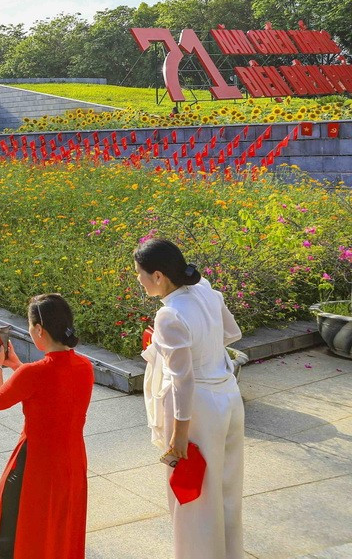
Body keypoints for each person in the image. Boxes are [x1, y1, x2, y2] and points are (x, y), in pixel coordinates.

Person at [136, 238, 244, 559]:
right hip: (228, 395)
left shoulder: (169, 315)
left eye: (139, 273)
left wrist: (178, 435)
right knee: (226, 489)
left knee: (193, 495)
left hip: (196, 409)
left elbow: (183, 381)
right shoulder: (204, 289)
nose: (138, 280)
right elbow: (232, 333)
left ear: (158, 276)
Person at [0, 293, 93, 559]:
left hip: (36, 462)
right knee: (60, 528)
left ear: (40, 330)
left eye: (30, 326)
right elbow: (51, 390)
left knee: (8, 525)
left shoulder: (33, 373)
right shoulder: (85, 366)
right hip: (72, 460)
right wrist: (17, 366)